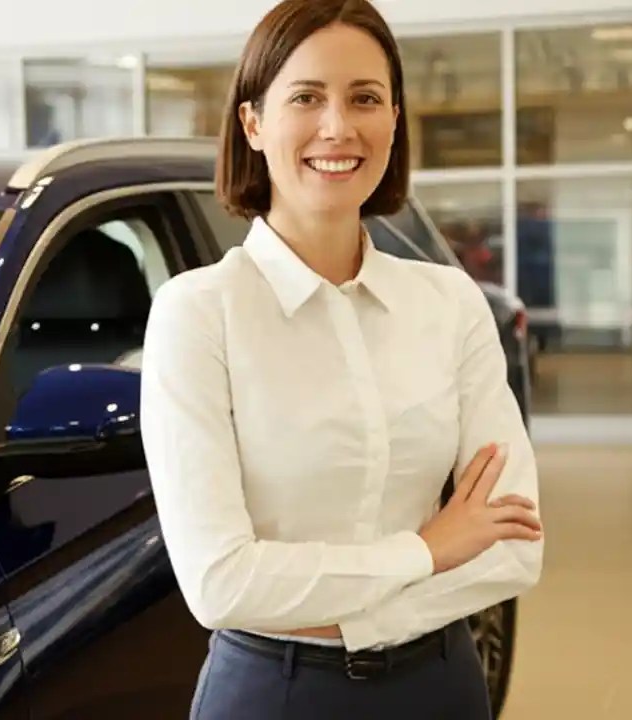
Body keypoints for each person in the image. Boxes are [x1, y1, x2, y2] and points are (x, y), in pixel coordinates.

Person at [137, 1, 544, 718]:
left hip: (440, 686)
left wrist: (344, 614)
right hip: (275, 692)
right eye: (306, 97)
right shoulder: (199, 314)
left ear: (394, 119)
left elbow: (512, 547)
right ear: (253, 123)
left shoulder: (447, 303)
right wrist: (427, 550)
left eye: (365, 98)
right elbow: (222, 583)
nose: (338, 127)